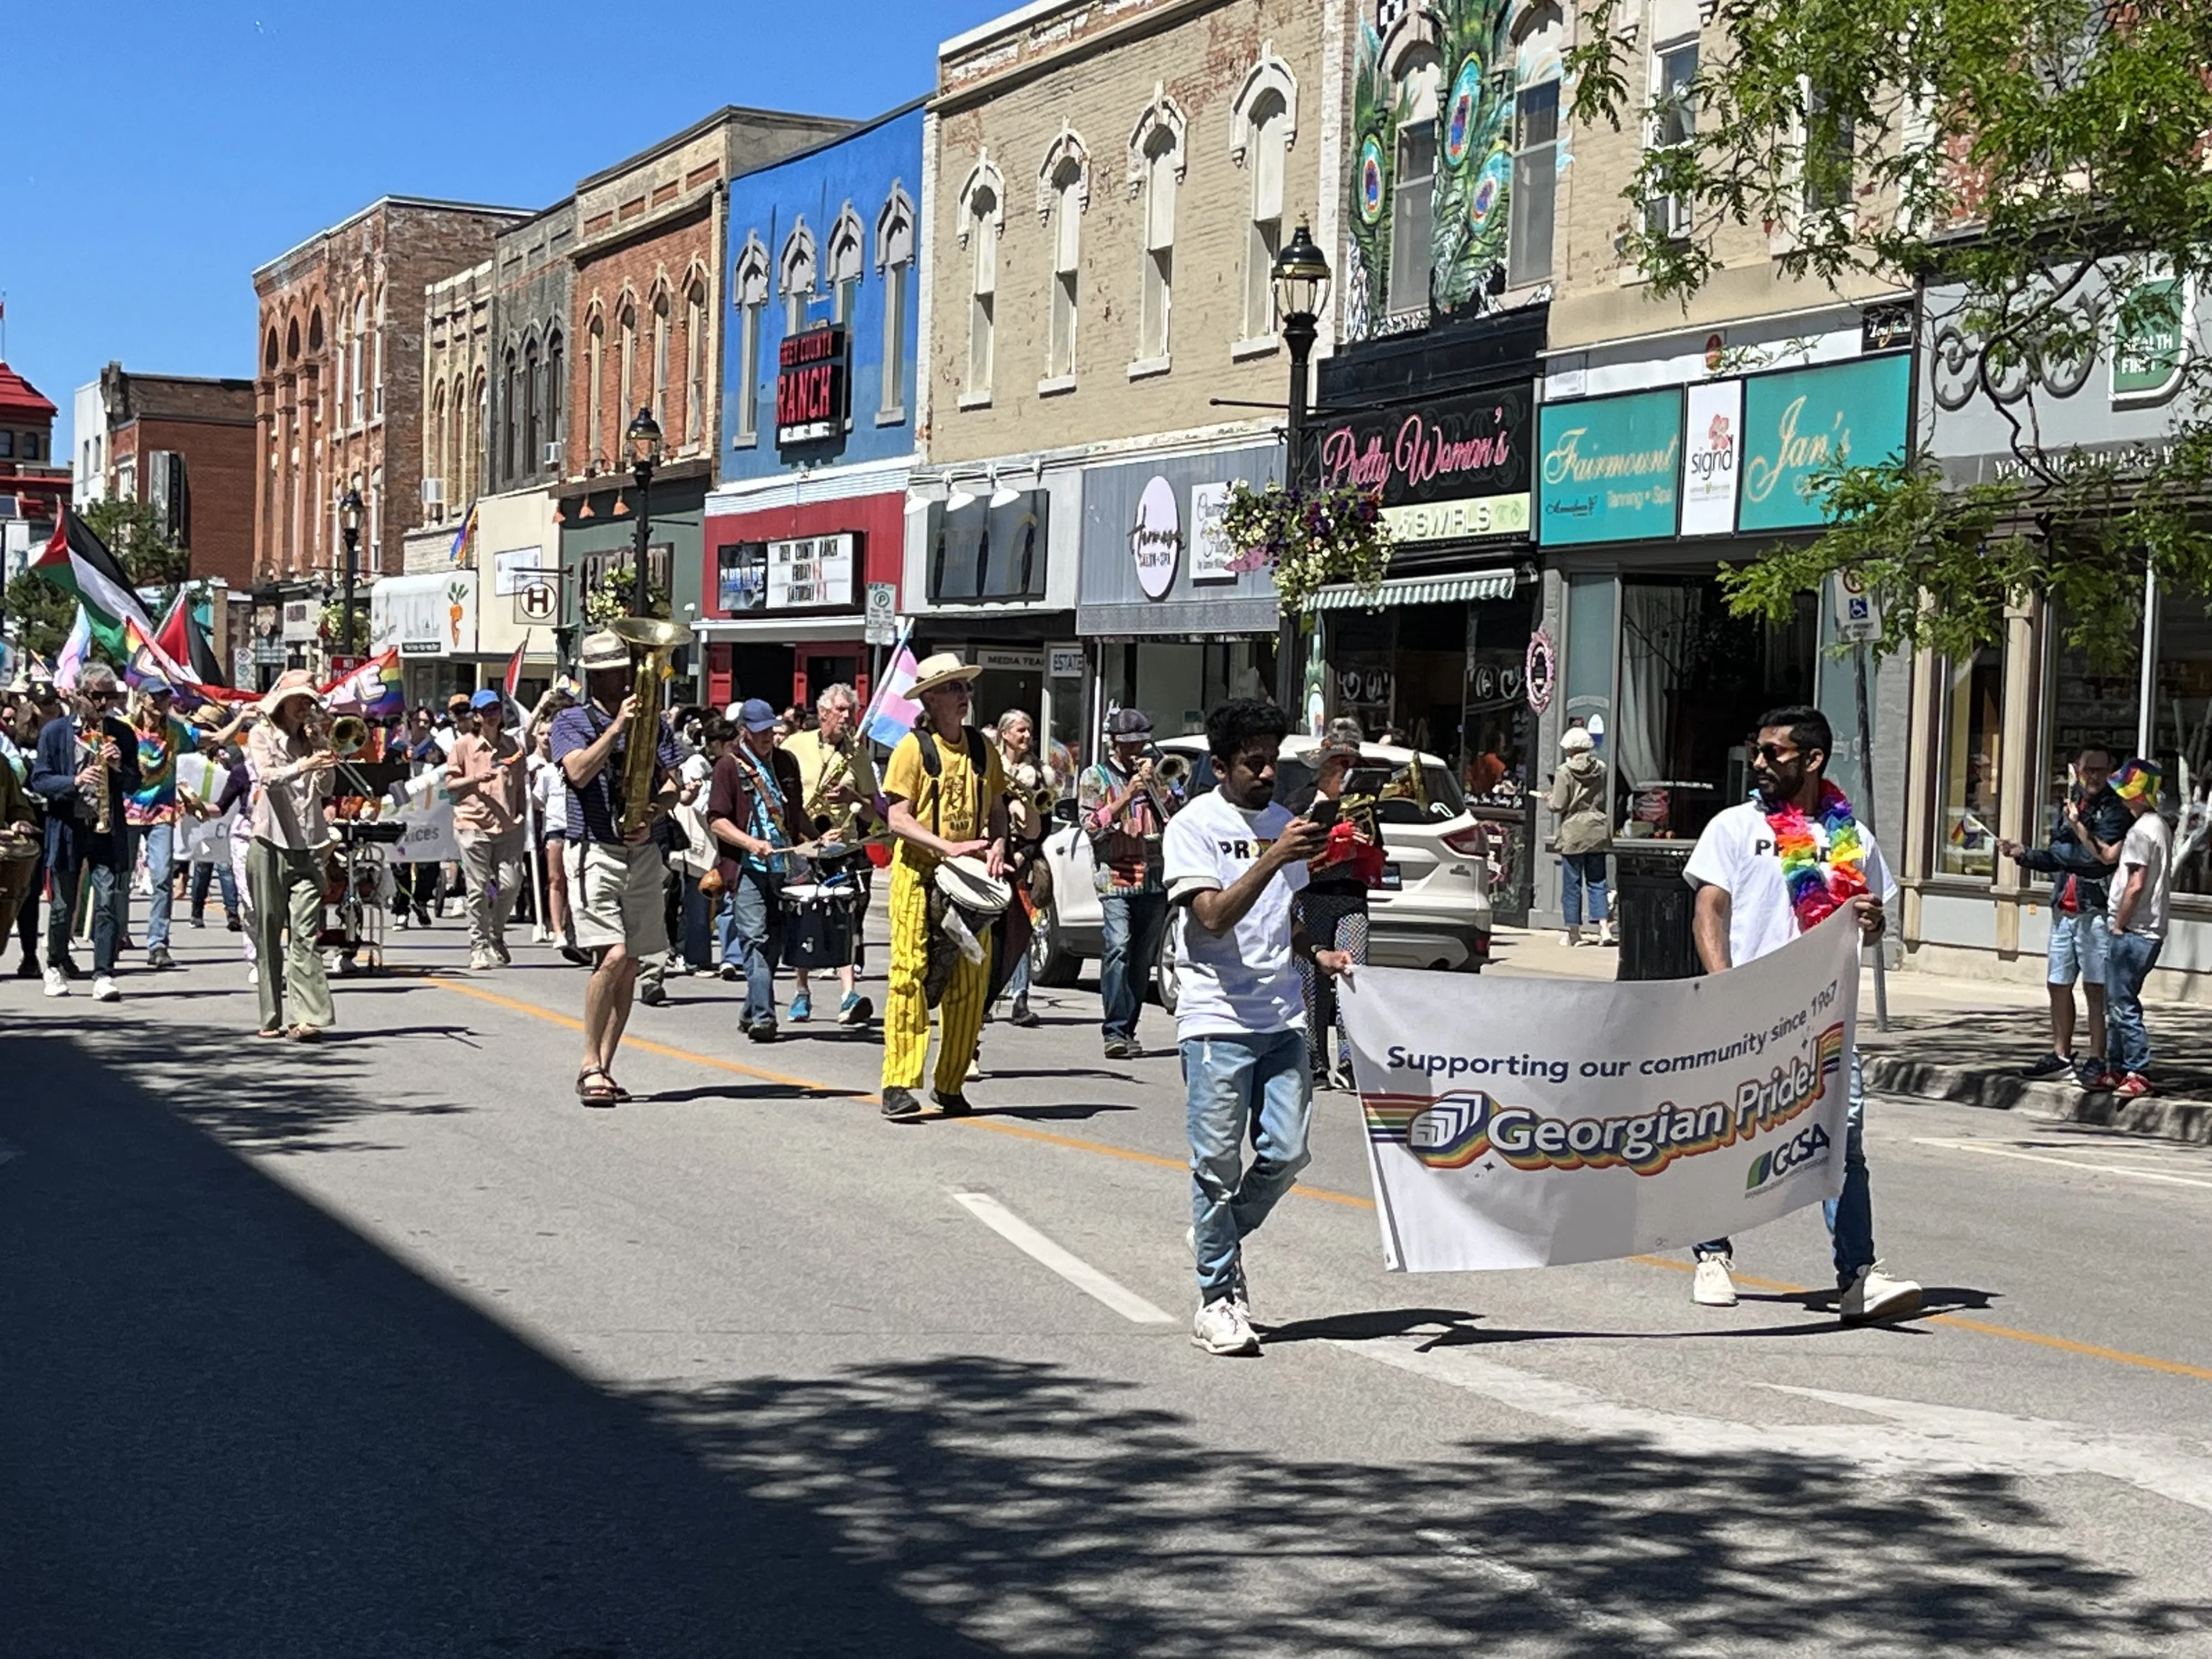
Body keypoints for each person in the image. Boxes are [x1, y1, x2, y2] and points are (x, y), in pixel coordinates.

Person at [1683, 705, 1921, 1323]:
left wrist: (1872, 923)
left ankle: (1858, 1276)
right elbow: (1709, 910)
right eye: (1757, 751)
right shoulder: (1734, 827)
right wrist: (1723, 989)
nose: (1758, 763)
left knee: (1842, 1145)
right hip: (1749, 1008)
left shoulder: (1853, 838)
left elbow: (1870, 927)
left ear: (1813, 760)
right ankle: (1710, 1253)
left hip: (1825, 1020)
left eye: (1773, 754)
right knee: (1727, 1138)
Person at [1165, 697, 1342, 1357]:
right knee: (1214, 1166)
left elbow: (1281, 913)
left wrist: (1315, 953)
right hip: (1215, 1018)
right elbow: (1211, 916)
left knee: (1288, 1153)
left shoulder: (1282, 824)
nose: (1268, 774)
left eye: (1274, 761)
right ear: (1220, 766)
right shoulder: (1193, 826)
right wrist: (1271, 856)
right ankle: (1217, 1301)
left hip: (1279, 1015)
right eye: (1253, 763)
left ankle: (1219, 1229)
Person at [551, 630, 681, 1107]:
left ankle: (604, 1065)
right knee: (612, 954)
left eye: (623, 671)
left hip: (641, 852)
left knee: (630, 963)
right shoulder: (570, 721)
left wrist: (653, 814)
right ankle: (588, 1061)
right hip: (593, 848)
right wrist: (617, 730)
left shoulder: (657, 723)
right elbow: (579, 772)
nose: (618, 681)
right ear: (593, 677)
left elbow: (675, 787)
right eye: (607, 674)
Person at [878, 654, 1009, 1120]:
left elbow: (997, 809)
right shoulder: (912, 749)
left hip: (968, 881)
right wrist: (945, 848)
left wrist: (997, 846)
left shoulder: (981, 749)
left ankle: (950, 1084)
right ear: (930, 698)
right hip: (918, 875)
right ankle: (898, 1082)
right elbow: (897, 818)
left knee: (971, 980)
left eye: (965, 689)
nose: (964, 697)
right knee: (909, 975)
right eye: (954, 689)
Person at [1995, 745, 2129, 1082]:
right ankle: (2061, 1054)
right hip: (2063, 909)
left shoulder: (2115, 809)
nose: (2094, 777)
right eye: (2088, 770)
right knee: (2058, 983)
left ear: (2111, 771)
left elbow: (2098, 860)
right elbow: (2057, 856)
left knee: (2096, 988)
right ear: (2077, 770)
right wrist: (2023, 854)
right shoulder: (2070, 805)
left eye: (2101, 770)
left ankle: (2098, 1057)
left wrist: (2073, 837)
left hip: (2095, 910)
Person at [30, 663, 140, 1002]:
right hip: (68, 827)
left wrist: (120, 766)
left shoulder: (122, 733)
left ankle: (104, 972)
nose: (104, 703)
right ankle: (54, 963)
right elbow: (40, 780)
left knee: (108, 901)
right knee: (63, 903)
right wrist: (75, 782)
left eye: (111, 696)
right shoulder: (56, 733)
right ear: (79, 695)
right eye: (97, 696)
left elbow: (136, 783)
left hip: (107, 829)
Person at [126, 680, 249, 969]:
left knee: (162, 878)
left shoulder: (177, 731)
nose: (161, 703)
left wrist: (242, 719)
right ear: (143, 699)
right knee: (120, 882)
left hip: (161, 813)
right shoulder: (125, 729)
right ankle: (117, 933)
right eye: (156, 698)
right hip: (127, 811)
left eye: (166, 698)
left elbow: (217, 739)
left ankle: (158, 944)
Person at [245, 670, 340, 1039]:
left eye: (310, 701)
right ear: (283, 703)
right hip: (270, 841)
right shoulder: (261, 735)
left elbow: (326, 788)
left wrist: (322, 755)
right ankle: (270, 1015)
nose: (306, 707)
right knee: (268, 928)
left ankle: (309, 1017)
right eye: (300, 700)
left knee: (305, 933)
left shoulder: (312, 740)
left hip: (309, 843)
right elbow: (267, 777)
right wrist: (303, 764)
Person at [708, 699, 808, 1042]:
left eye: (772, 729)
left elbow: (796, 812)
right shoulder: (727, 766)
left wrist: (818, 838)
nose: (769, 736)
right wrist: (750, 844)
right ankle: (765, 1017)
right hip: (748, 869)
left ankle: (751, 1009)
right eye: (761, 730)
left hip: (783, 866)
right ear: (744, 731)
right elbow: (717, 820)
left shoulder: (785, 762)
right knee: (755, 940)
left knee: (777, 942)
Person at [781, 682, 880, 1025]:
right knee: (803, 920)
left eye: (851, 712)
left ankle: (848, 996)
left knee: (846, 922)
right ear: (823, 713)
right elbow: (781, 796)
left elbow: (874, 811)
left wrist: (855, 796)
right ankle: (802, 992)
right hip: (806, 847)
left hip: (845, 847)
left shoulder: (858, 754)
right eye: (840, 711)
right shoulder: (794, 746)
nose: (847, 717)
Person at [1077, 708, 1171, 1059]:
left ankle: (1128, 1029)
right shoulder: (1094, 776)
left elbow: (1174, 819)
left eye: (1142, 744)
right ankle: (1114, 1030)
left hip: (1153, 877)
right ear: (1115, 744)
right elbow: (1091, 825)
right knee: (1118, 946)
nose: (1137, 752)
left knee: (1142, 955)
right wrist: (1126, 797)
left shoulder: (1156, 776)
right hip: (1115, 875)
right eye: (1130, 745)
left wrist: (1160, 791)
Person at [1290, 719, 1378, 1091]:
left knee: (1351, 975)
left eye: (1350, 765)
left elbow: (1376, 848)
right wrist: (1332, 836)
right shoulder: (1300, 801)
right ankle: (1313, 1059)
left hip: (1351, 896)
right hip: (1311, 897)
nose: (1346, 772)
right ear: (1324, 768)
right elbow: (1294, 850)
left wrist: (1363, 844)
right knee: (1309, 981)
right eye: (1339, 764)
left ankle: (1349, 1058)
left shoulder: (1364, 804)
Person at [2083, 759, 2172, 1098]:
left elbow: (2136, 884)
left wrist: (2119, 924)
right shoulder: (2158, 826)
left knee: (2123, 1003)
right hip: (2146, 931)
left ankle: (2138, 1069)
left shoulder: (2140, 833)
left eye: (2125, 792)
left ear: (2135, 795)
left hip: (2135, 930)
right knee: (2115, 1001)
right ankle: (2117, 1068)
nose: (2121, 798)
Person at [447, 687, 530, 972]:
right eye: (487, 712)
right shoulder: (463, 746)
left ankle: (496, 932)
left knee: (511, 884)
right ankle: (479, 946)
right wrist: (474, 778)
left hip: (507, 826)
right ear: (477, 717)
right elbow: (450, 785)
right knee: (478, 889)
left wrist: (520, 816)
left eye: (496, 710)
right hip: (472, 823)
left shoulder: (514, 747)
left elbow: (519, 787)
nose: (493, 716)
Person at [7, 681, 58, 978]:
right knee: (27, 888)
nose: (46, 712)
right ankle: (29, 954)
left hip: (57, 815)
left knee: (55, 886)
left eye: (51, 706)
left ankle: (57, 953)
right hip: (27, 817)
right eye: (41, 706)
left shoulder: (64, 733)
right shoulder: (16, 737)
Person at [1548, 725, 1614, 947]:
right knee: (1598, 880)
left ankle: (1574, 932)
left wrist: (1548, 798)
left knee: (1572, 883)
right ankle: (1604, 928)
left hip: (1574, 830)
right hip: (1597, 827)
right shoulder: (1602, 768)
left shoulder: (1564, 771)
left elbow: (1558, 805)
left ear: (1569, 749)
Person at [530, 725, 587, 963]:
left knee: (577, 881)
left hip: (578, 829)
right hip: (555, 830)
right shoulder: (547, 773)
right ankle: (557, 930)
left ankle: (573, 927)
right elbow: (537, 801)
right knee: (556, 880)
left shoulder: (579, 770)